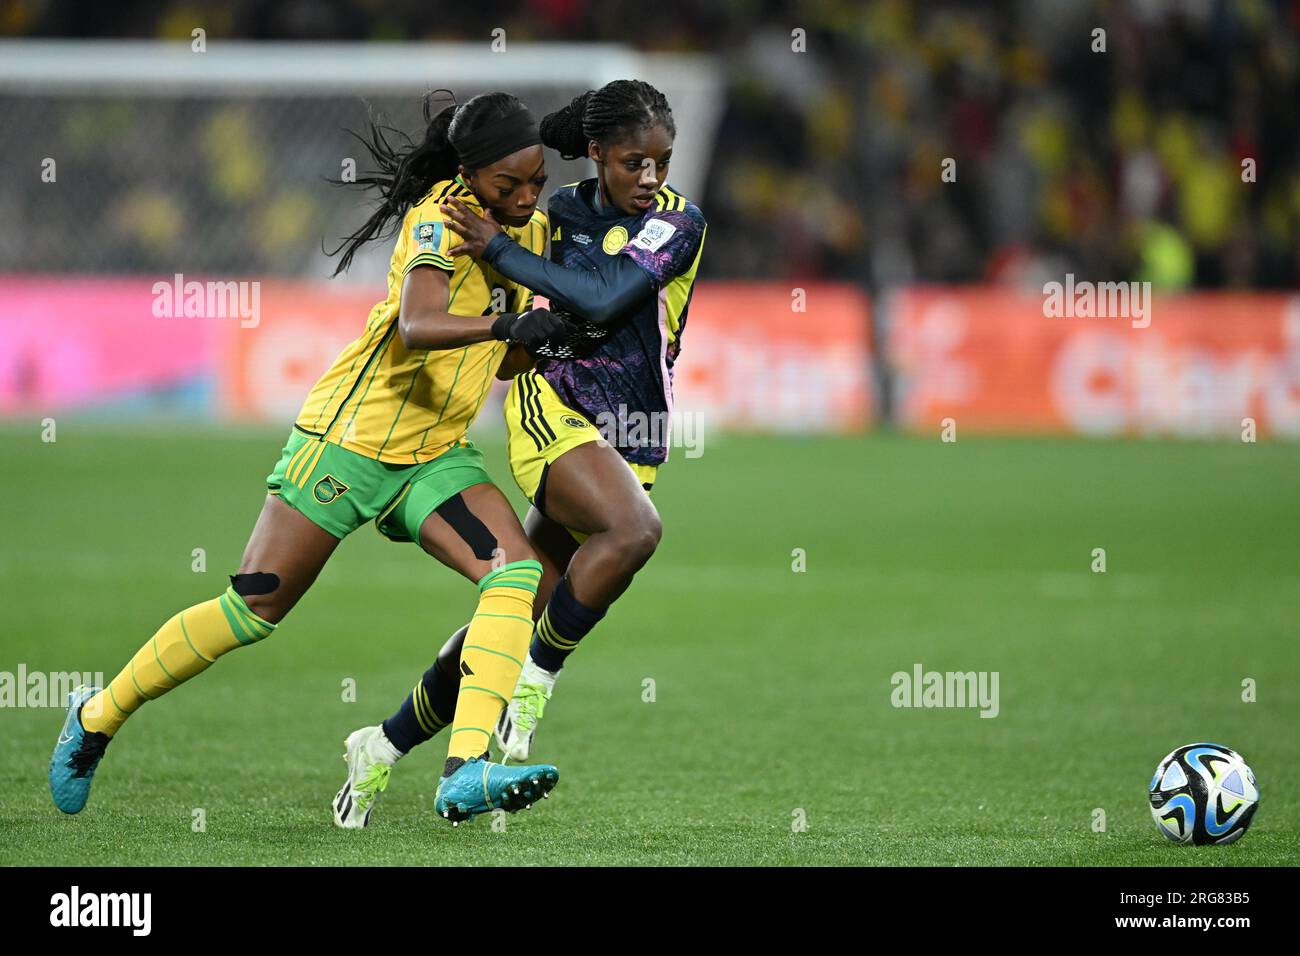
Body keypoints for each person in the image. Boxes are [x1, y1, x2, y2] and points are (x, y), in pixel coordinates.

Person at [49, 91, 573, 826]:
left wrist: (541, 340)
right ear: (468, 173)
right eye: (507, 185)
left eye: (536, 182)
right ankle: (97, 717)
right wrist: (511, 319)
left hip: (433, 453)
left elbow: (509, 359)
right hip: (349, 441)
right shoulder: (438, 220)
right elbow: (420, 325)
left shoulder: (529, 230)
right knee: (253, 610)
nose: (524, 198)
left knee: (515, 572)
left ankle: (466, 767)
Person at [333, 80, 706, 827]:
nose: (651, 178)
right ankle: (535, 681)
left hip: (629, 434)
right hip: (553, 409)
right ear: (597, 154)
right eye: (634, 162)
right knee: (633, 533)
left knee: (515, 611)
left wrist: (502, 248)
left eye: (662, 162)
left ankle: (380, 744)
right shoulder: (554, 213)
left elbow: (603, 300)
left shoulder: (677, 224)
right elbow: (496, 264)